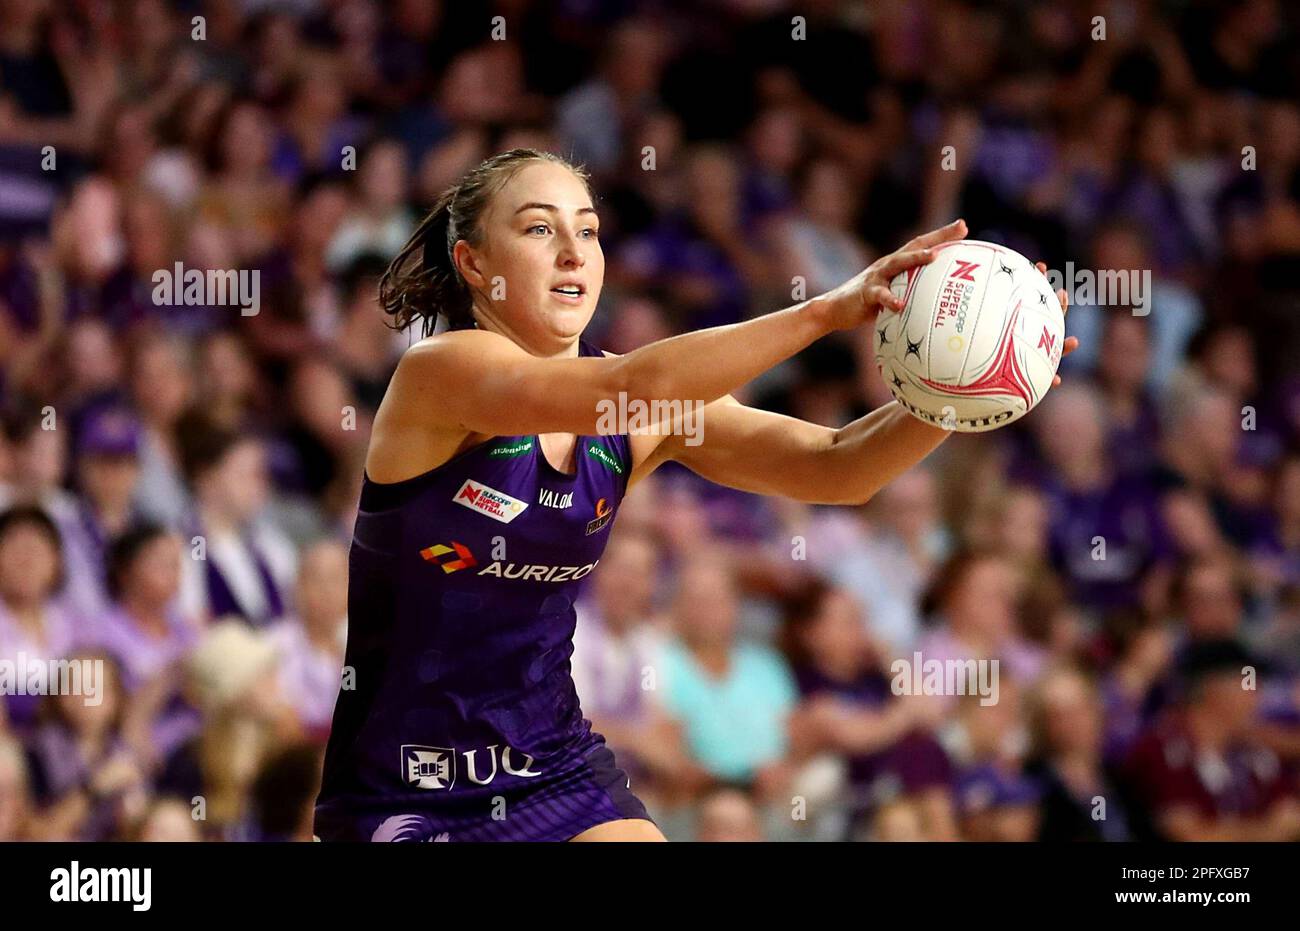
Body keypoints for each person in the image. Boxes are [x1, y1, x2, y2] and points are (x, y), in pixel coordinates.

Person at [313, 148, 1074, 843]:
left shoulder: (632, 423)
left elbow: (838, 464)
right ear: (475, 263)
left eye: (589, 229)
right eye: (540, 230)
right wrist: (822, 311)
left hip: (550, 763)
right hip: (401, 784)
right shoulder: (441, 374)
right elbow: (630, 384)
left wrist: (964, 390)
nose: (575, 251)